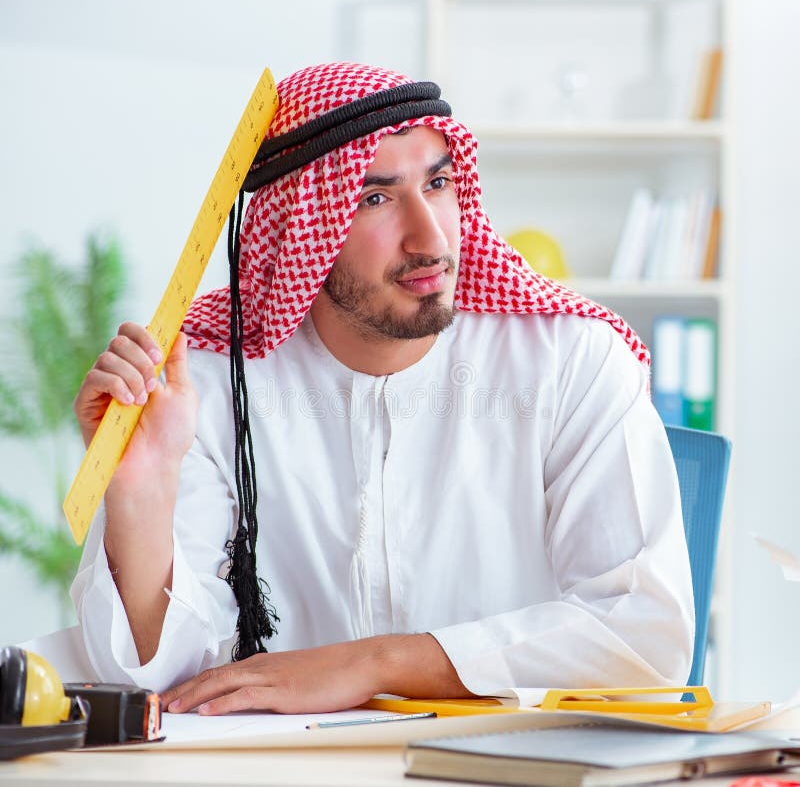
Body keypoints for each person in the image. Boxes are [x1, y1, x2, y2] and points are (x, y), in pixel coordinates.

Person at [70, 62, 694, 716]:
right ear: (299, 229)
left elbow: (647, 638)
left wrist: (375, 664)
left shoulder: (570, 360)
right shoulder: (204, 385)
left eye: (439, 183)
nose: (431, 237)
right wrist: (139, 495)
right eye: (375, 197)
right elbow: (169, 688)